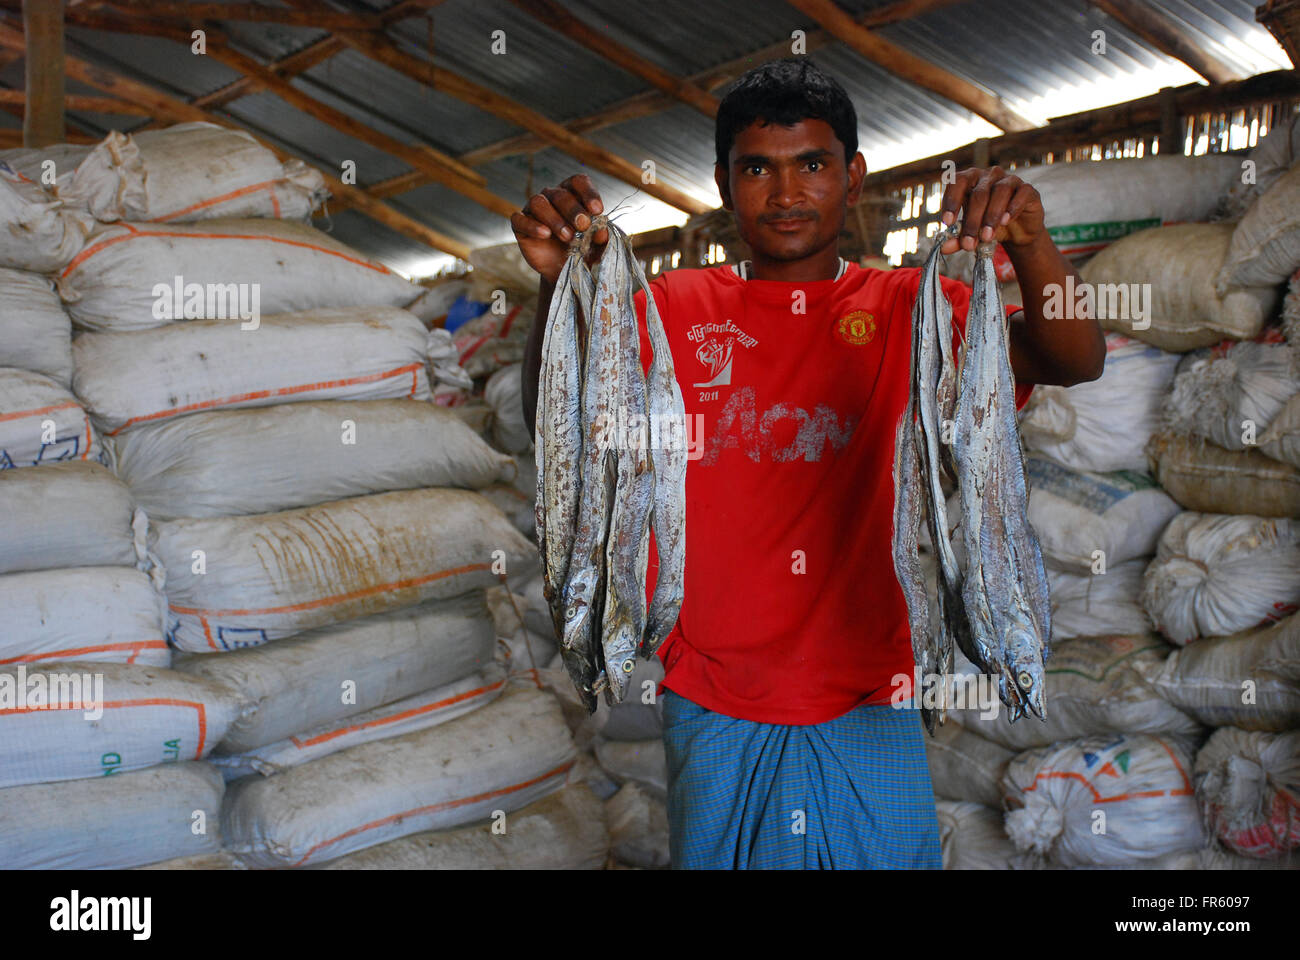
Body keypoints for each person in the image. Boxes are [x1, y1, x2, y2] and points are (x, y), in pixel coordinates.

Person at [514, 58, 1105, 869]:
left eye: (812, 166)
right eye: (758, 169)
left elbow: (1072, 358)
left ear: (852, 176)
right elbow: (558, 424)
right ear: (725, 184)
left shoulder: (913, 308)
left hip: (871, 689)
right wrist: (554, 289)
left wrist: (1031, 246)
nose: (786, 194)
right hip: (713, 693)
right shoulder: (674, 309)